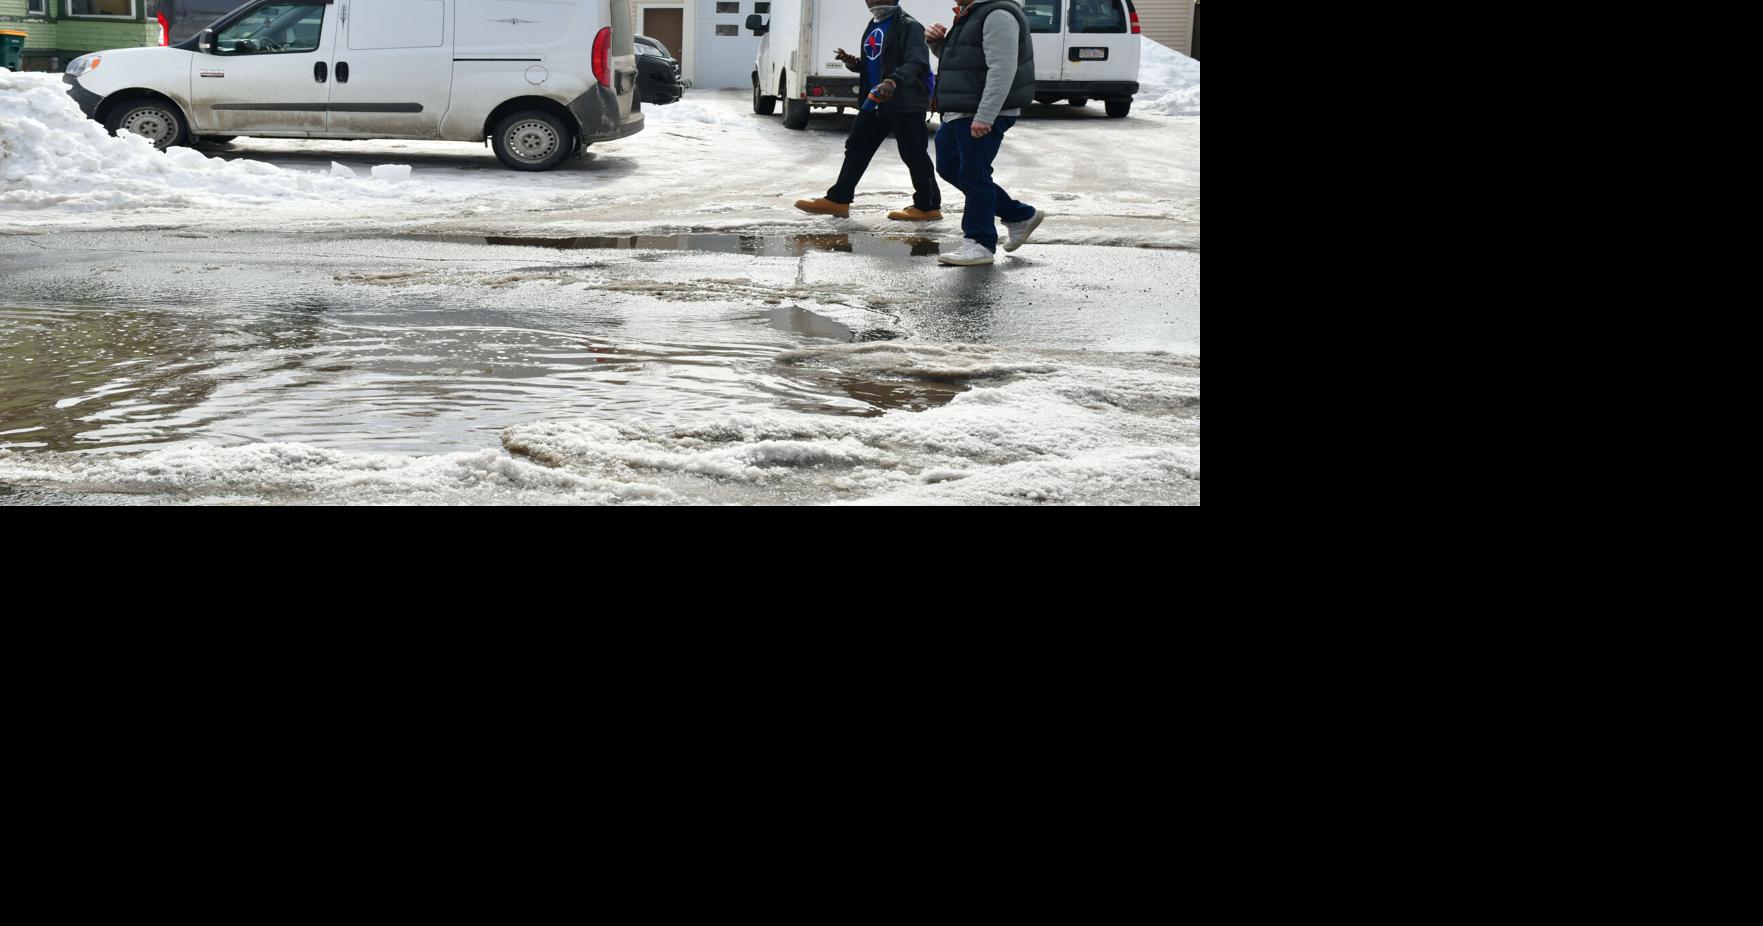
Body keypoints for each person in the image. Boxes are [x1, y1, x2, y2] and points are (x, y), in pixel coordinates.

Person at [794, 0, 943, 222]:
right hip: (874, 101)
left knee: (913, 154)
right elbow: (876, 62)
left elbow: (917, 63)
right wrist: (855, 63)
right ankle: (838, 200)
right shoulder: (874, 24)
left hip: (904, 102)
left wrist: (892, 81)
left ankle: (928, 206)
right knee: (856, 149)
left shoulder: (909, 26)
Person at [926, 0, 1045, 266]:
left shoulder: (998, 14)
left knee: (973, 174)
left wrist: (985, 115)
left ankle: (979, 242)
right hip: (961, 111)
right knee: (950, 167)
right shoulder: (972, 14)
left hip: (980, 112)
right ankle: (1019, 215)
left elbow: (1002, 69)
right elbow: (965, 63)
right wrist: (938, 44)